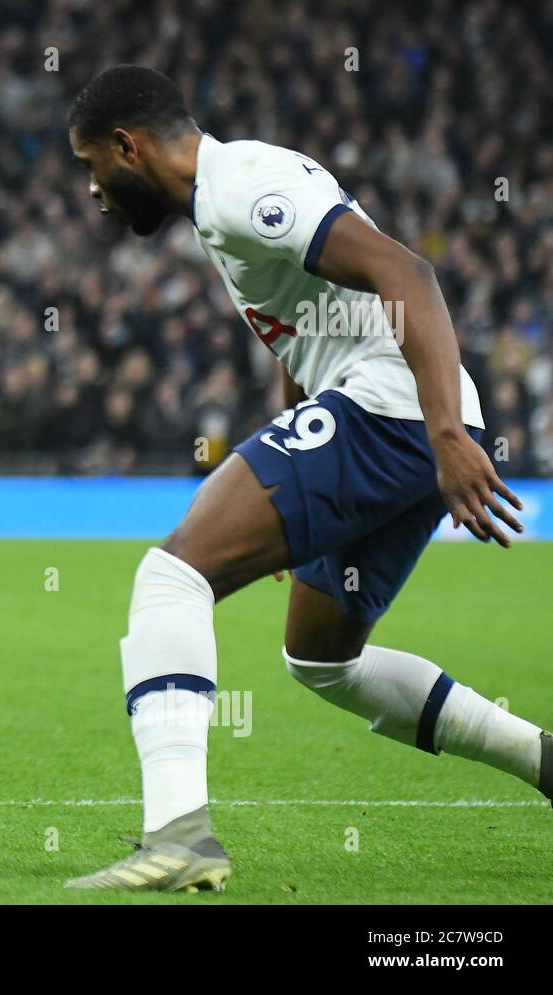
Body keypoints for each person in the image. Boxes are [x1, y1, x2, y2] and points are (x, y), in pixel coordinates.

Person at [63, 65, 550, 891]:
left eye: (90, 170)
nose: (94, 193)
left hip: (396, 409)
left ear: (127, 146)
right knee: (323, 658)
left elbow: (410, 277)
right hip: (391, 412)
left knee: (171, 575)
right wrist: (293, 459)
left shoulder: (243, 190)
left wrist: (445, 435)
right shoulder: (224, 198)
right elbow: (309, 327)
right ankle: (542, 759)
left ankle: (179, 836)